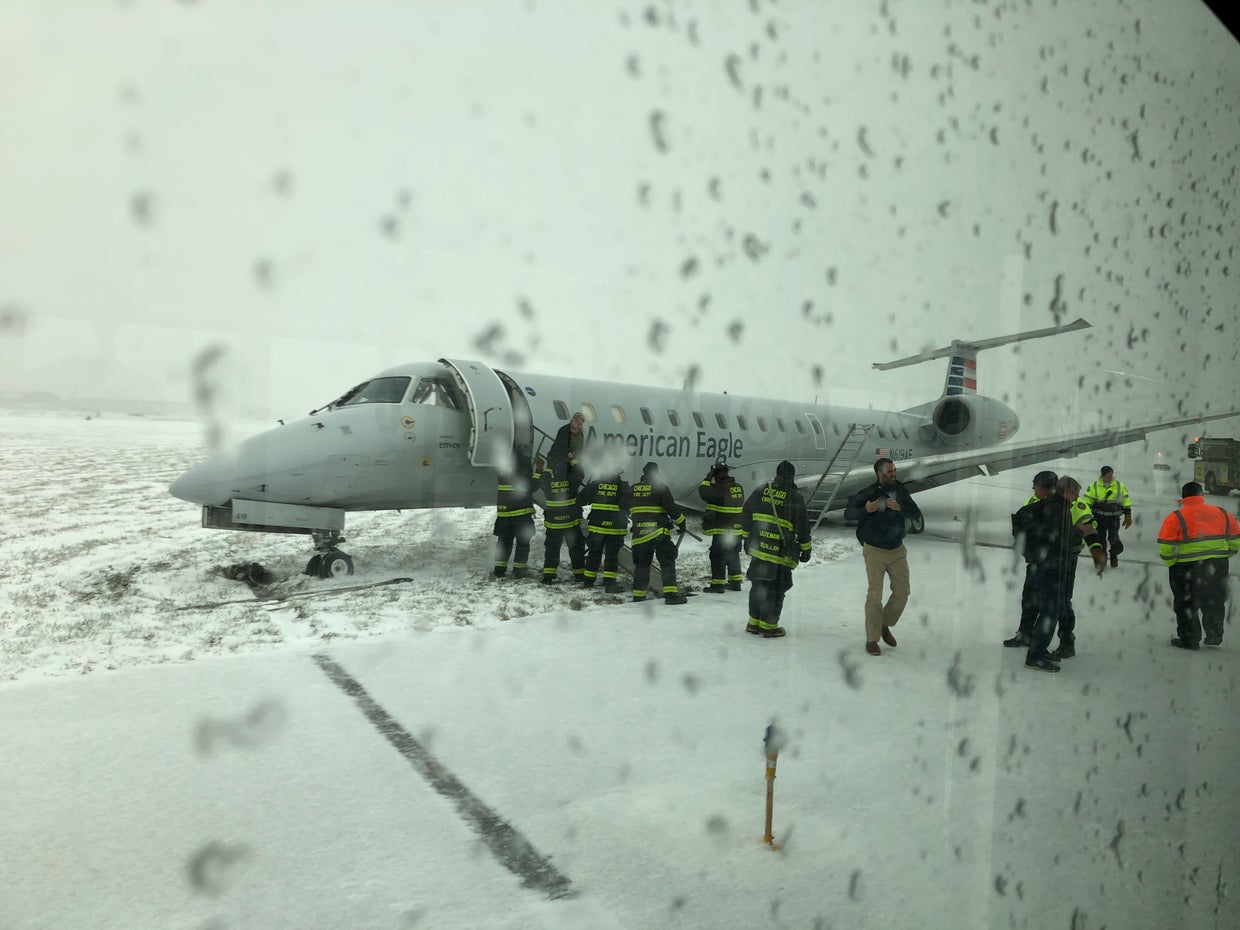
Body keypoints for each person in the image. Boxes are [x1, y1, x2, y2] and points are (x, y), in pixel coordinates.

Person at [1019, 475, 1106, 672]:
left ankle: (1040, 648)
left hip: (1047, 563)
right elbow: (1060, 539)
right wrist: (1079, 532)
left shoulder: (1051, 505)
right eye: (1075, 493)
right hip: (1053, 566)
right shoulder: (1058, 509)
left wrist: (1095, 549)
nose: (1077, 498)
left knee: (1050, 606)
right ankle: (1036, 655)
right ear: (1067, 492)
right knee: (1052, 609)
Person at [843, 457, 923, 656]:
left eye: (894, 471)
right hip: (875, 550)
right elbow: (848, 513)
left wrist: (900, 508)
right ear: (879, 475)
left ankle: (884, 624)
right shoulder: (869, 493)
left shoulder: (901, 491)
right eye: (889, 472)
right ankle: (872, 639)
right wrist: (866, 510)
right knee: (875, 595)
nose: (893, 474)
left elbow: (915, 514)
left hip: (897, 549)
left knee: (903, 592)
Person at [1156, 481, 1240, 650]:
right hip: (1217, 564)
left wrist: (1171, 561)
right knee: (1214, 599)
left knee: (1186, 602)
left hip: (1186, 567)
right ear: (1201, 495)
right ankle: (1214, 634)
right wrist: (1227, 554)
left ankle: (1189, 639)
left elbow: (1165, 545)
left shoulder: (1176, 517)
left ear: (1184, 497)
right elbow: (1235, 536)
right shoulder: (1221, 513)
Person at [739, 460, 811, 638]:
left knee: (758, 585)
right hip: (779, 552)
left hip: (758, 549)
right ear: (792, 477)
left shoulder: (762, 490)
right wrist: (806, 549)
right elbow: (802, 527)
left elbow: (746, 513)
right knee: (776, 588)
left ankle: (753, 624)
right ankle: (769, 627)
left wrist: (746, 537)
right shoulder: (794, 497)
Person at [1003, 470, 1059, 648]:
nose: (1032, 487)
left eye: (1035, 484)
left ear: (1044, 487)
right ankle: (1025, 634)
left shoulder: (1064, 505)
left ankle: (1057, 644)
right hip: (1036, 561)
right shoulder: (1032, 503)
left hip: (1055, 564)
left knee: (1055, 605)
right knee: (1029, 599)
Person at [628, 462, 688, 604]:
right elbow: (671, 508)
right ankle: (671, 595)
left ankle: (638, 596)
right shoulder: (660, 488)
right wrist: (682, 523)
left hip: (640, 534)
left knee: (642, 565)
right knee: (667, 562)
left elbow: (623, 505)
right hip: (658, 533)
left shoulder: (633, 489)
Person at [579, 467, 631, 593]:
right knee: (611, 557)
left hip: (597, 527)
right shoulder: (623, 487)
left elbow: (581, 499)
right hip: (615, 529)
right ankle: (610, 585)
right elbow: (628, 505)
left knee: (594, 554)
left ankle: (588, 582)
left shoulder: (595, 485)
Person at [698, 458, 745, 593]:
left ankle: (717, 585)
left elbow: (703, 492)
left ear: (717, 474)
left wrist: (707, 478)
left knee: (717, 555)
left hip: (723, 530)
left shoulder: (719, 489)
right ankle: (735, 583)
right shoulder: (737, 487)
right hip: (736, 529)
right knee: (733, 554)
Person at [538, 459, 585, 584]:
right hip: (571, 523)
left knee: (552, 549)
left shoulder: (548, 483)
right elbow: (580, 474)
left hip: (553, 524)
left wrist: (549, 467)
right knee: (576, 549)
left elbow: (542, 478)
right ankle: (579, 575)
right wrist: (574, 460)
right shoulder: (571, 482)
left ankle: (548, 576)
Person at [492, 447, 537, 578]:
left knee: (504, 542)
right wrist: (539, 471)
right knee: (523, 543)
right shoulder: (522, 472)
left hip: (504, 515)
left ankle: (499, 570)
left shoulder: (502, 472)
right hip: (520, 514)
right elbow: (532, 486)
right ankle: (519, 570)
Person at [1084, 465, 1132, 567]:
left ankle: (1114, 554)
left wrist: (1128, 514)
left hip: (1114, 518)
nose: (1110, 476)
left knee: (1114, 539)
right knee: (1101, 539)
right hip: (1099, 518)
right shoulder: (1094, 486)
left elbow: (1126, 500)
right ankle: (1103, 560)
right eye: (1108, 474)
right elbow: (1087, 502)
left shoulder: (1119, 486)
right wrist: (1086, 517)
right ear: (1103, 475)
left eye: (1111, 474)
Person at [548, 412, 586, 487]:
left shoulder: (580, 432)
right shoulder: (564, 430)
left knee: (580, 474)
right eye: (578, 424)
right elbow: (558, 447)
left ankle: (572, 492)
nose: (579, 426)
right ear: (573, 421)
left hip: (573, 459)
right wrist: (567, 453)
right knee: (562, 474)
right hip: (559, 458)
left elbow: (580, 446)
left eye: (581, 424)